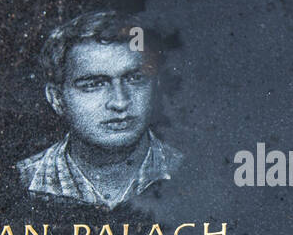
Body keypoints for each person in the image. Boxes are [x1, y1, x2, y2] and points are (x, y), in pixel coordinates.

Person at [17, 11, 182, 207]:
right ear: (57, 99)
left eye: (135, 79)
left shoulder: (189, 169)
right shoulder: (19, 179)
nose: (120, 102)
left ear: (156, 85)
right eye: (94, 84)